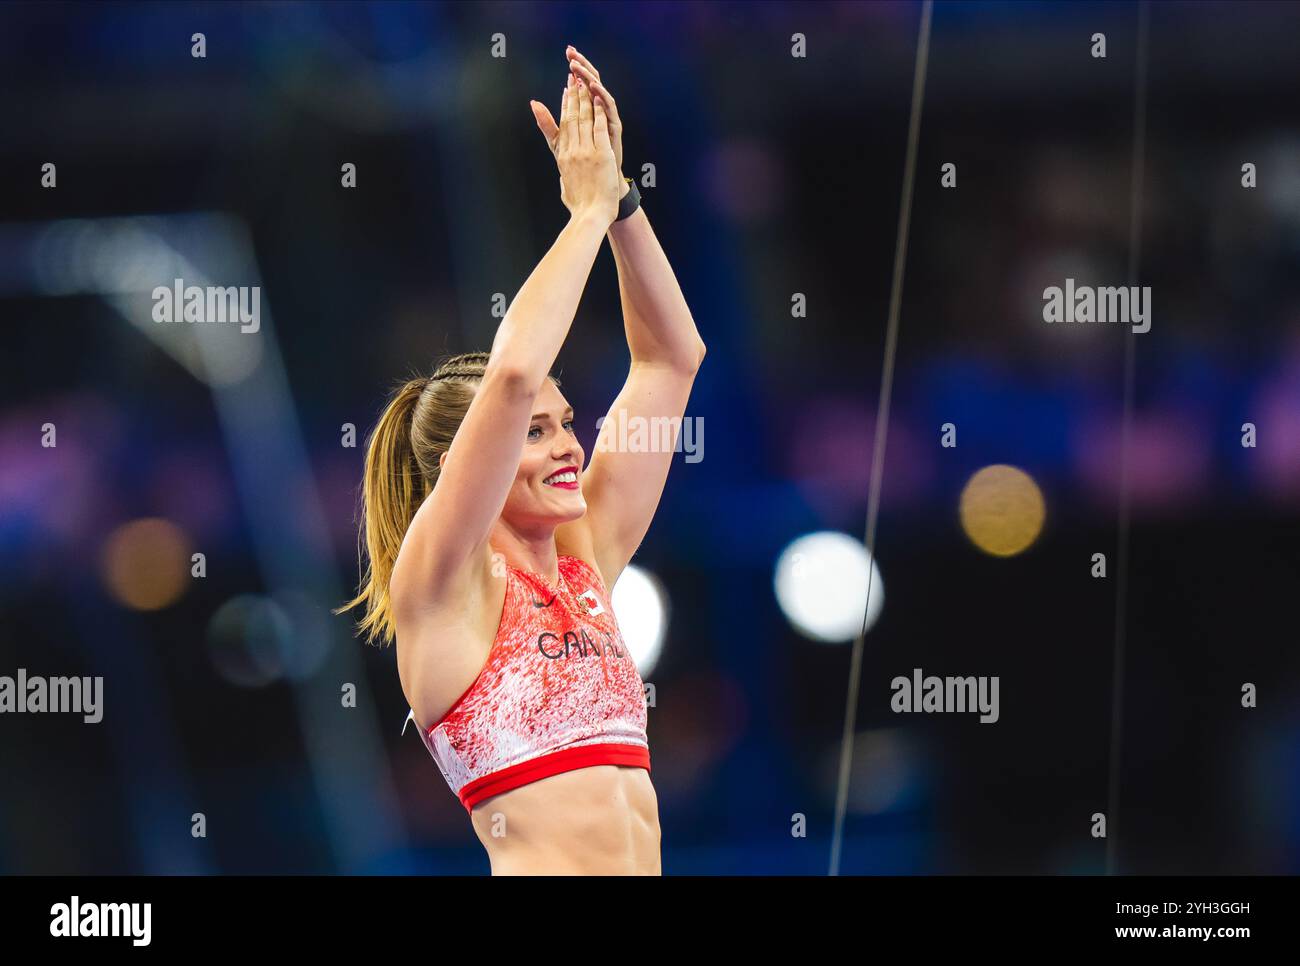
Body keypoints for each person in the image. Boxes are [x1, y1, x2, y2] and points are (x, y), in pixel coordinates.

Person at [341, 48, 705, 874]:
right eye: (536, 432)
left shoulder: (585, 564)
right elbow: (509, 378)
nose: (571, 444)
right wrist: (577, 217)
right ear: (472, 464)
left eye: (567, 422)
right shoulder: (439, 588)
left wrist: (621, 205)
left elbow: (670, 359)